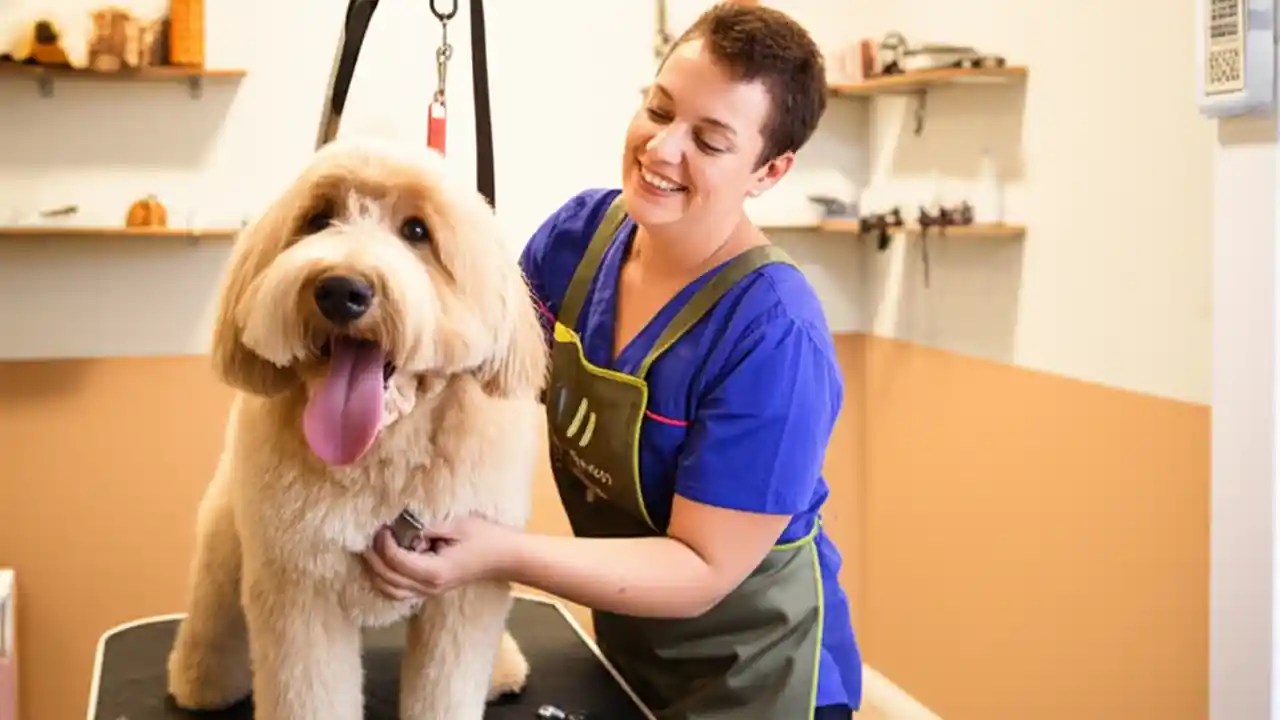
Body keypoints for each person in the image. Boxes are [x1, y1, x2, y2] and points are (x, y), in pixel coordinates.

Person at [362, 4, 862, 718]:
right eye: (658, 110)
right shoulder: (577, 240)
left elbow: (700, 568)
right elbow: (483, 366)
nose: (661, 150)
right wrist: (391, 383)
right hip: (631, 653)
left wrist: (496, 552)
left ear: (770, 170)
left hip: (757, 678)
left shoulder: (774, 335)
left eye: (710, 141)